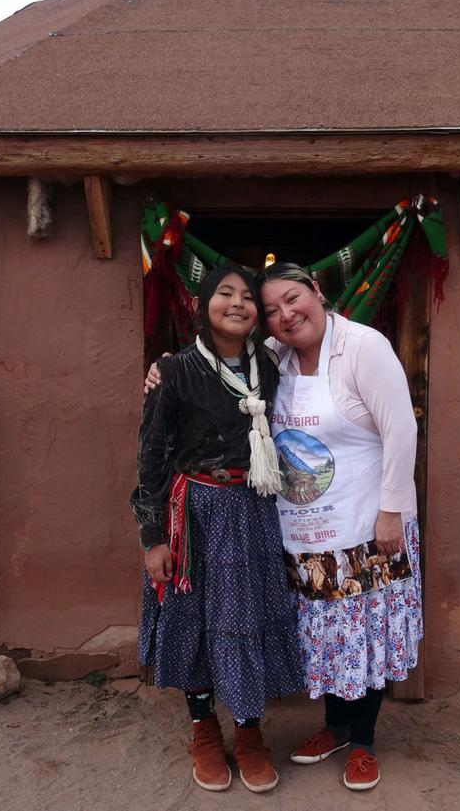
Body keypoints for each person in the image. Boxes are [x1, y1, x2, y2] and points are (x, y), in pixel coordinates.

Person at [146, 261, 422, 792]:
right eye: (271, 309)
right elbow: (198, 388)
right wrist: (164, 368)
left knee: (361, 634)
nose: (285, 315)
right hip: (298, 530)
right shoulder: (274, 357)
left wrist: (392, 510)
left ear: (317, 291)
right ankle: (332, 729)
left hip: (364, 524)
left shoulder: (363, 348)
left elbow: (401, 428)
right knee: (329, 636)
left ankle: (362, 743)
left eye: (291, 299)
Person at [130, 264, 304, 794]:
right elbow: (152, 458)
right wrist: (153, 537)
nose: (237, 304)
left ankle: (249, 733)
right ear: (202, 305)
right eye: (225, 293)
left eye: (247, 297)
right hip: (196, 516)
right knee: (196, 621)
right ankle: (204, 730)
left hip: (252, 511)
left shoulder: (269, 367)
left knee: (246, 619)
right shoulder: (176, 371)